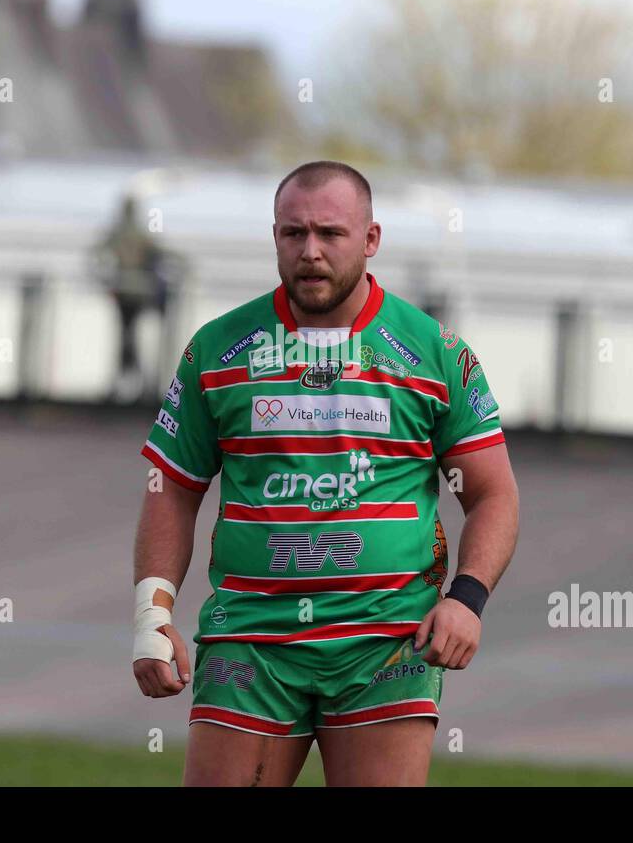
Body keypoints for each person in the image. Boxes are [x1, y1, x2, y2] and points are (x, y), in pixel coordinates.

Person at [131, 160, 520, 786]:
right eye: (292, 234)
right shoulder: (217, 350)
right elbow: (172, 488)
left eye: (330, 235)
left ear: (370, 240)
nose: (310, 252)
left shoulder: (436, 352)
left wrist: (467, 601)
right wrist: (151, 616)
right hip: (250, 638)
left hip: (388, 639)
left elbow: (494, 494)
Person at [96, 195, 167, 403]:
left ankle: (126, 381)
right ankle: (139, 382)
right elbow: (159, 252)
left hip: (123, 290)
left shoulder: (117, 234)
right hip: (138, 291)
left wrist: (105, 279)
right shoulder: (139, 234)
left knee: (127, 336)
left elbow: (98, 254)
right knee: (133, 337)